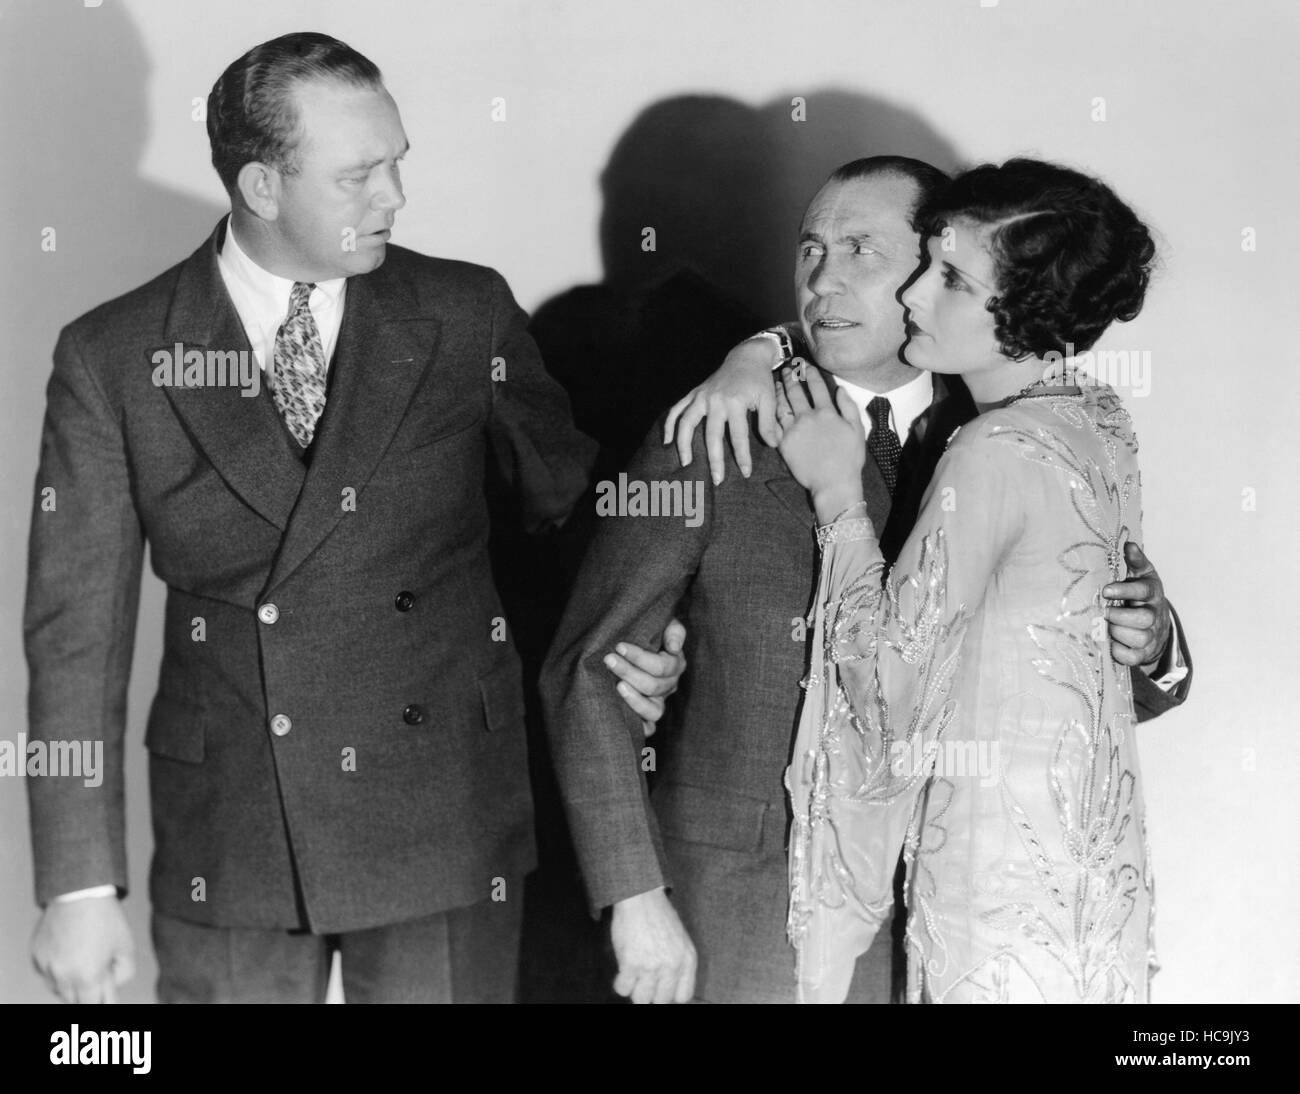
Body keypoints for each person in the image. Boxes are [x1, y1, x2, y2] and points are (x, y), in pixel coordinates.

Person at [23, 31, 681, 1004]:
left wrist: (642, 631)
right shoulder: (114, 355)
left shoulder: (464, 313)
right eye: (359, 176)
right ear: (261, 186)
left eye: (397, 164)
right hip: (234, 831)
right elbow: (73, 635)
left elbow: (578, 521)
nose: (395, 198)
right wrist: (76, 882)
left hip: (444, 813)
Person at [540, 156, 1189, 1004]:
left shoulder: (1007, 433)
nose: (823, 282)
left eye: (860, 252)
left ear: (934, 268)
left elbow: (1068, 681)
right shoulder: (719, 428)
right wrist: (634, 896)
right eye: (810, 250)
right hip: (747, 904)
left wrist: (1154, 642)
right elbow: (589, 670)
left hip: (948, 905)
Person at [775, 157, 1171, 1003]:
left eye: (949, 277)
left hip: (996, 881)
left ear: (1022, 311)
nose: (915, 295)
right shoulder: (1101, 418)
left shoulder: (990, 449)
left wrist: (838, 492)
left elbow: (884, 686)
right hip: (1093, 880)